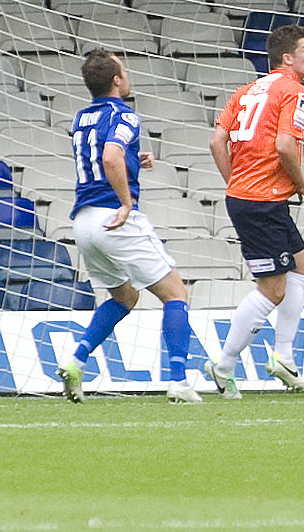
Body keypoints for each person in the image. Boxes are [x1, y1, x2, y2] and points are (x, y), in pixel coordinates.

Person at [55, 49, 201, 404]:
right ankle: (180, 381)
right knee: (176, 294)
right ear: (117, 80)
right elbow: (110, 156)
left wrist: (135, 158)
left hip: (84, 222)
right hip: (113, 216)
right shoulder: (125, 115)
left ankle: (76, 360)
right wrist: (126, 202)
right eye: (125, 70)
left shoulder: (81, 118)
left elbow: (102, 154)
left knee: (125, 296)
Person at [205, 25, 304, 398]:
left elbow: (216, 139)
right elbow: (286, 145)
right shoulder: (296, 92)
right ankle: (223, 366)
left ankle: (283, 355)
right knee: (272, 289)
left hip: (253, 197)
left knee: (303, 265)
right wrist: (302, 184)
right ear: (287, 58)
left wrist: (235, 180)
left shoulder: (244, 91)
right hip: (262, 201)